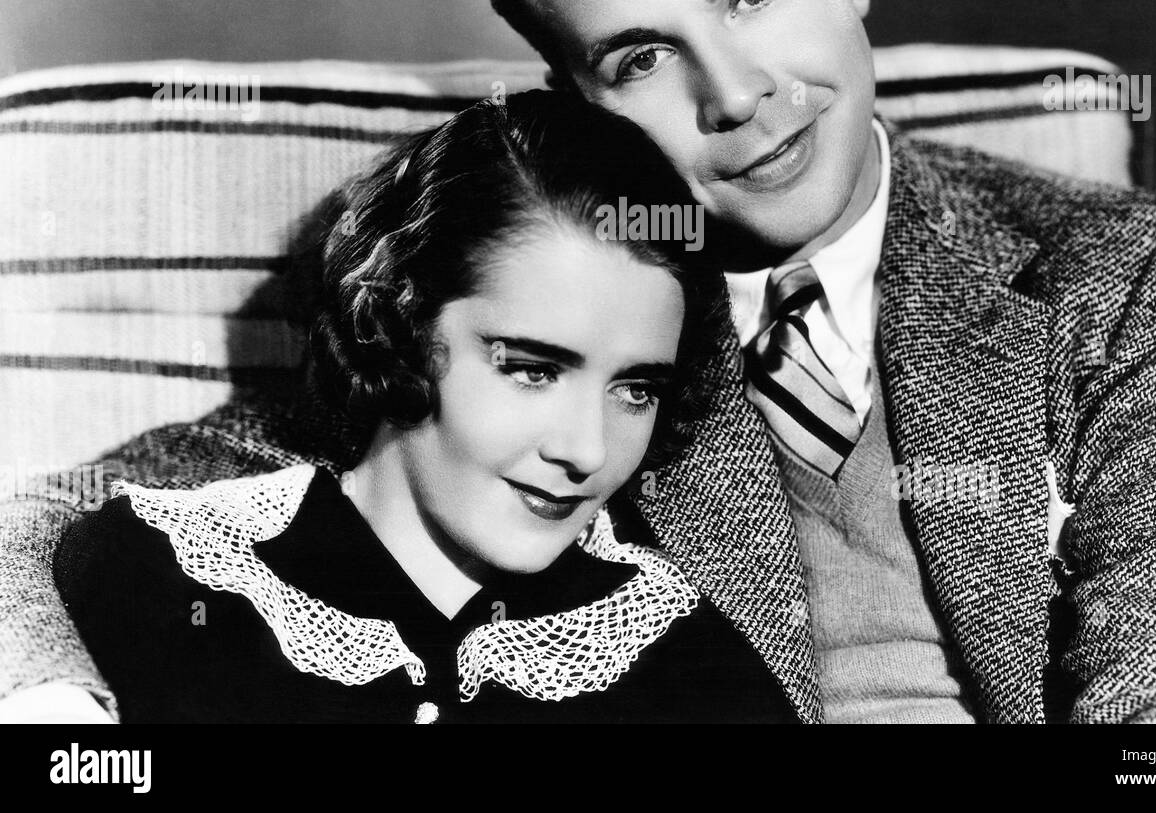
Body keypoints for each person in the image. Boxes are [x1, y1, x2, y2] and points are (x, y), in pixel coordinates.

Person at [4, 0, 1156, 724]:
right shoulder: (566, 300)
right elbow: (59, 516)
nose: (736, 95)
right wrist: (58, 722)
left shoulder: (1124, 279)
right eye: (639, 59)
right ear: (578, 103)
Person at [50, 90, 793, 723]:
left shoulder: (680, 656)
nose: (588, 450)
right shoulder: (166, 573)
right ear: (398, 323)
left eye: (636, 390)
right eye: (533, 370)